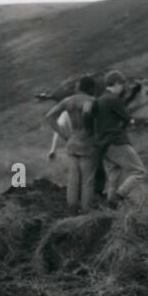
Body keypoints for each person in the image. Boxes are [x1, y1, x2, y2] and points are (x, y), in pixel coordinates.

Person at [91, 71, 148, 208]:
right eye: (122, 85)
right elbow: (127, 117)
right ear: (117, 84)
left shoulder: (99, 100)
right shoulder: (113, 100)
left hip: (103, 145)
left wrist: (132, 95)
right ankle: (119, 195)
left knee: (114, 176)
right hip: (116, 141)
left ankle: (112, 208)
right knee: (139, 171)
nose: (123, 88)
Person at [45, 74, 99, 214]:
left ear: (79, 87)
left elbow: (49, 117)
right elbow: (87, 112)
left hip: (72, 141)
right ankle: (86, 212)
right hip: (87, 143)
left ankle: (72, 210)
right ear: (92, 88)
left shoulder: (67, 101)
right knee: (87, 180)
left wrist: (64, 135)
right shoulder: (91, 100)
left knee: (73, 179)